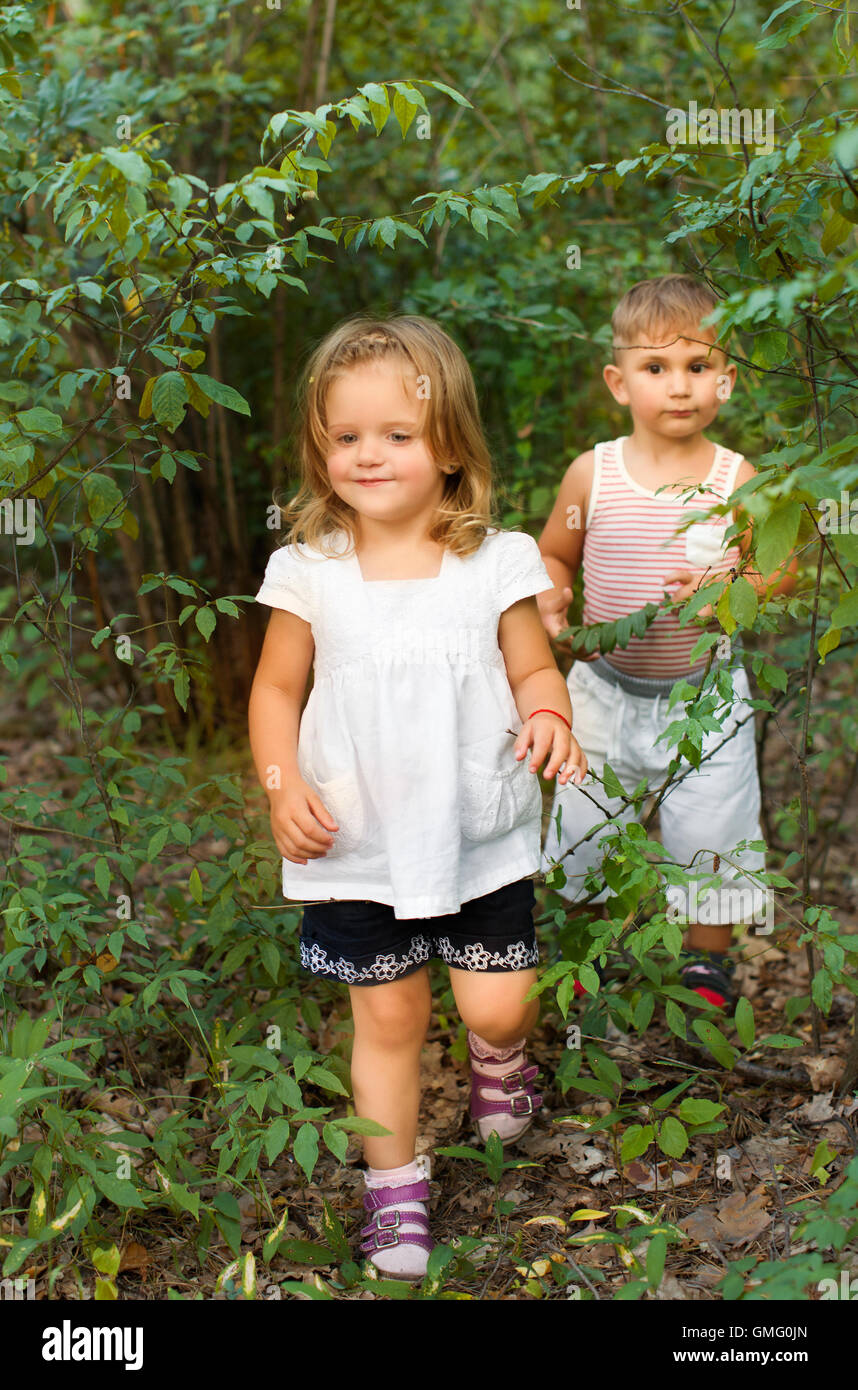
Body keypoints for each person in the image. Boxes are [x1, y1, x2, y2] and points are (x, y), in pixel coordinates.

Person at [248, 315, 588, 1279]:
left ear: (449, 446)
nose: (370, 454)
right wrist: (283, 786)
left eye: (398, 434)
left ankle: (499, 1058)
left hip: (476, 830)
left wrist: (552, 715)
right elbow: (275, 690)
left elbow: (533, 669)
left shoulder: (498, 559)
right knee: (387, 1022)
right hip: (358, 838)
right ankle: (394, 1198)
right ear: (320, 446)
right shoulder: (308, 568)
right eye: (346, 435)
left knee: (494, 1005)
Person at [537, 275, 797, 1011]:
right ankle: (583, 963)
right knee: (585, 832)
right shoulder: (595, 473)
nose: (678, 387)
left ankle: (705, 974)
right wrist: (551, 596)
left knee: (712, 831)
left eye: (697, 367)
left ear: (727, 381)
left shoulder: (737, 478)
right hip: (604, 693)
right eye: (656, 368)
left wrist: (729, 585)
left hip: (705, 694)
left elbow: (776, 568)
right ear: (619, 382)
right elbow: (555, 553)